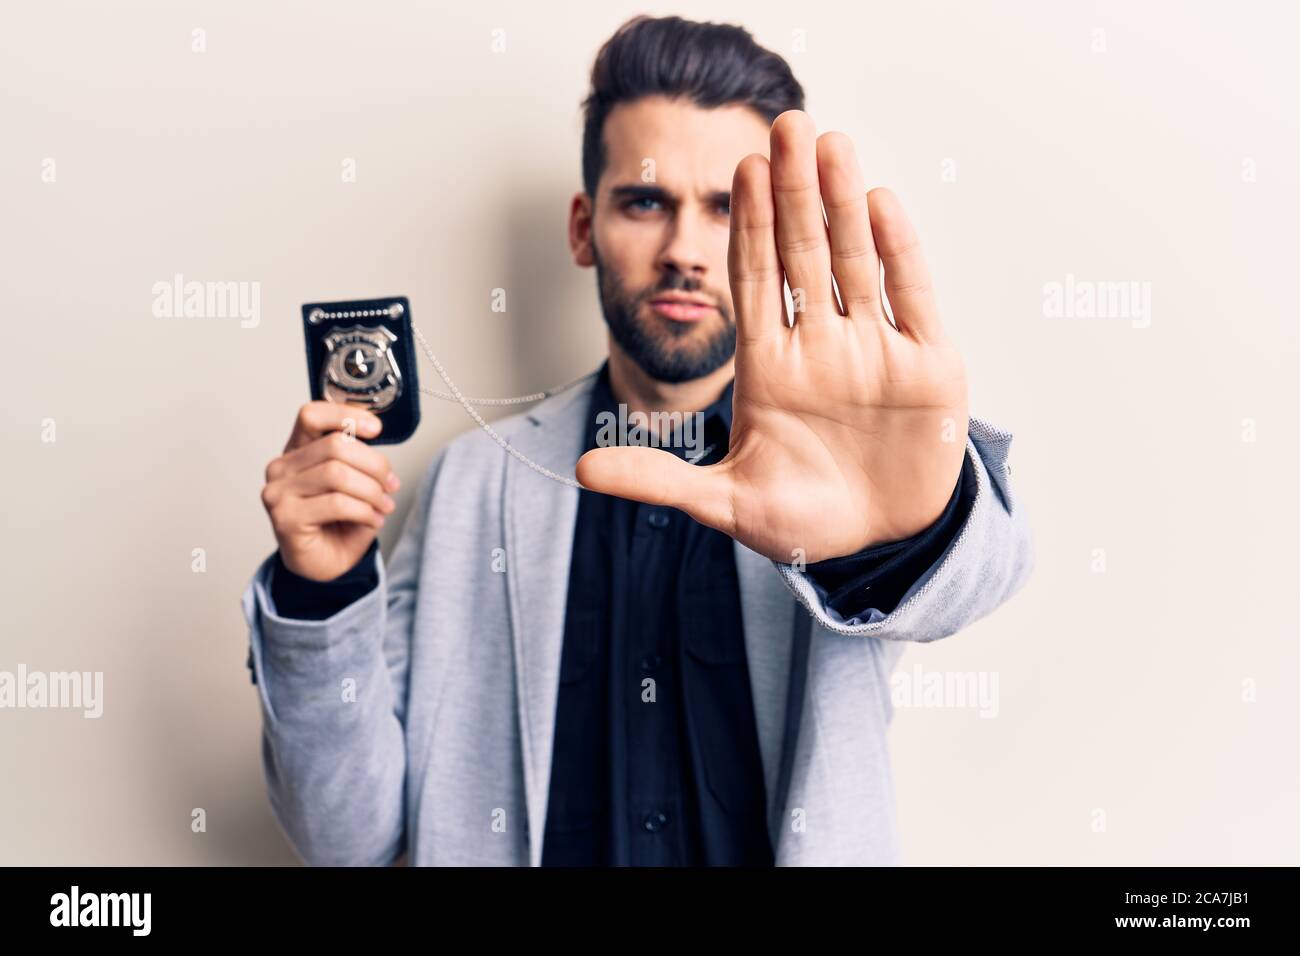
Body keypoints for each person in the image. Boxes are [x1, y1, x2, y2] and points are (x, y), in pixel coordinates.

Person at [242, 14, 1033, 866]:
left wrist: (907, 528)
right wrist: (320, 592)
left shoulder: (840, 466)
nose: (685, 251)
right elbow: (345, 837)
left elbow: (984, 573)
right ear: (585, 229)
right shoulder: (473, 482)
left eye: (728, 207)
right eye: (647, 201)